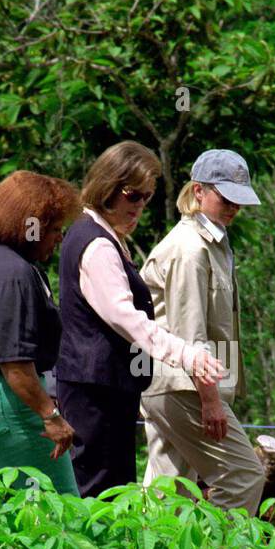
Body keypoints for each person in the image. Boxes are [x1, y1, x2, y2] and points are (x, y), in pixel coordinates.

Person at [55, 141, 225, 497]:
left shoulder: (102, 235)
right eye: (133, 196)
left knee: (114, 488)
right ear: (108, 187)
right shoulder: (97, 243)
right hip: (94, 390)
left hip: (106, 388)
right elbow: (125, 318)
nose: (140, 207)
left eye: (146, 198)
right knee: (101, 494)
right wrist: (188, 356)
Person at [139, 150, 265, 515]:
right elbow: (187, 333)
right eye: (226, 199)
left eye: (239, 201)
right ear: (198, 191)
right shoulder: (190, 249)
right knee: (243, 477)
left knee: (168, 493)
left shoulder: (214, 242)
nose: (233, 208)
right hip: (185, 386)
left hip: (181, 386)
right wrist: (210, 399)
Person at [0, 170, 82, 492]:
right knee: (59, 508)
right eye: (54, 230)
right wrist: (50, 417)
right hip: (2, 398)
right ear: (32, 228)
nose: (59, 238)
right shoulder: (13, 274)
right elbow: (16, 367)